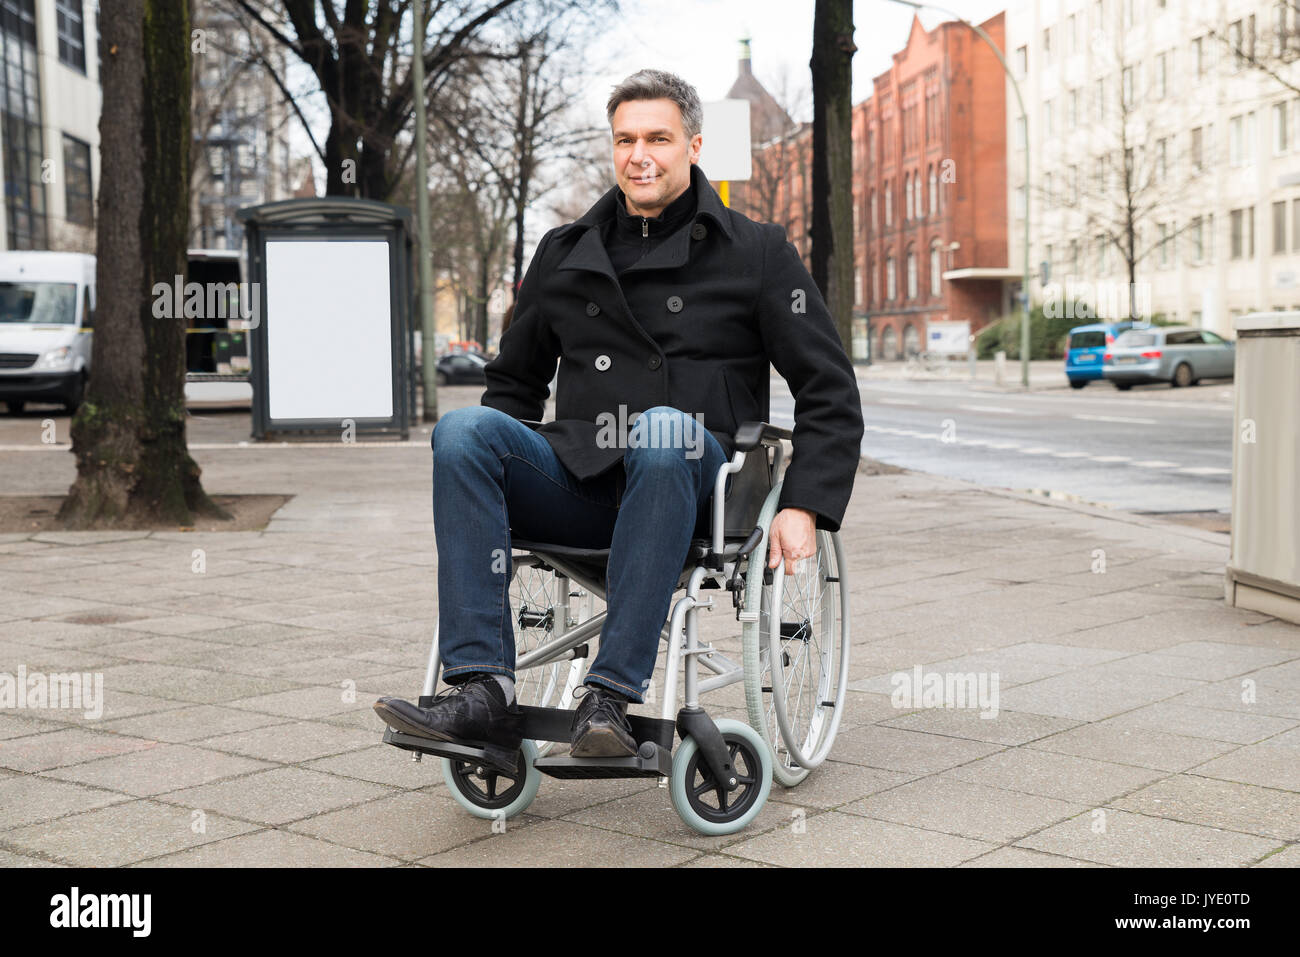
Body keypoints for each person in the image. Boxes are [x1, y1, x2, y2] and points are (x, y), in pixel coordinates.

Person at [374, 69, 864, 774]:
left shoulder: (756, 252)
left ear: (694, 145)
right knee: (460, 432)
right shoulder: (565, 252)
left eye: (658, 138)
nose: (640, 154)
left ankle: (608, 697)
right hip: (582, 483)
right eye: (625, 139)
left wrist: (806, 502)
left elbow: (828, 386)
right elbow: (514, 382)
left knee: (663, 429)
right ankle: (482, 689)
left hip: (700, 489)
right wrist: (484, 483)